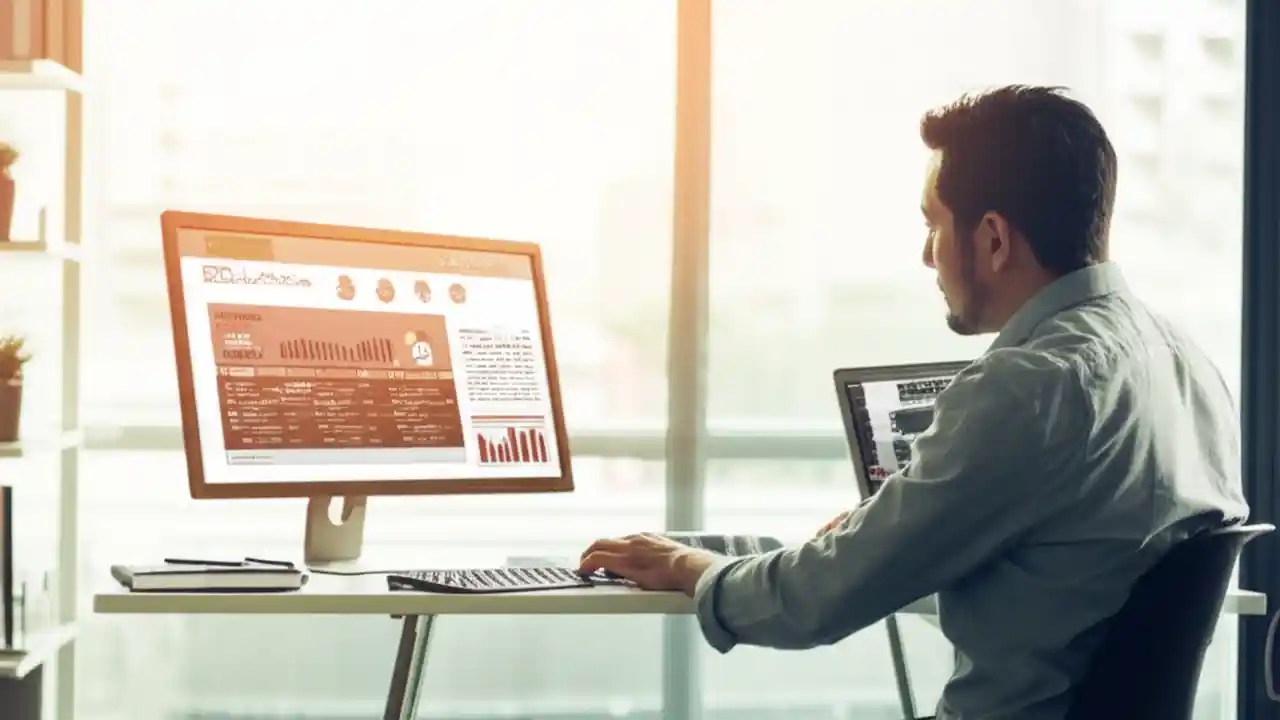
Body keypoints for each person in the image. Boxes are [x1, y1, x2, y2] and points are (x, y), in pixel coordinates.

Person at [578, 85, 1249, 720]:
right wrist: (895, 535)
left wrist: (687, 566)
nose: (928, 257)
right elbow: (1081, 572)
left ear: (992, 238)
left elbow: (811, 604)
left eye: (933, 226)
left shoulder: (1031, 386)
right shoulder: (1186, 360)